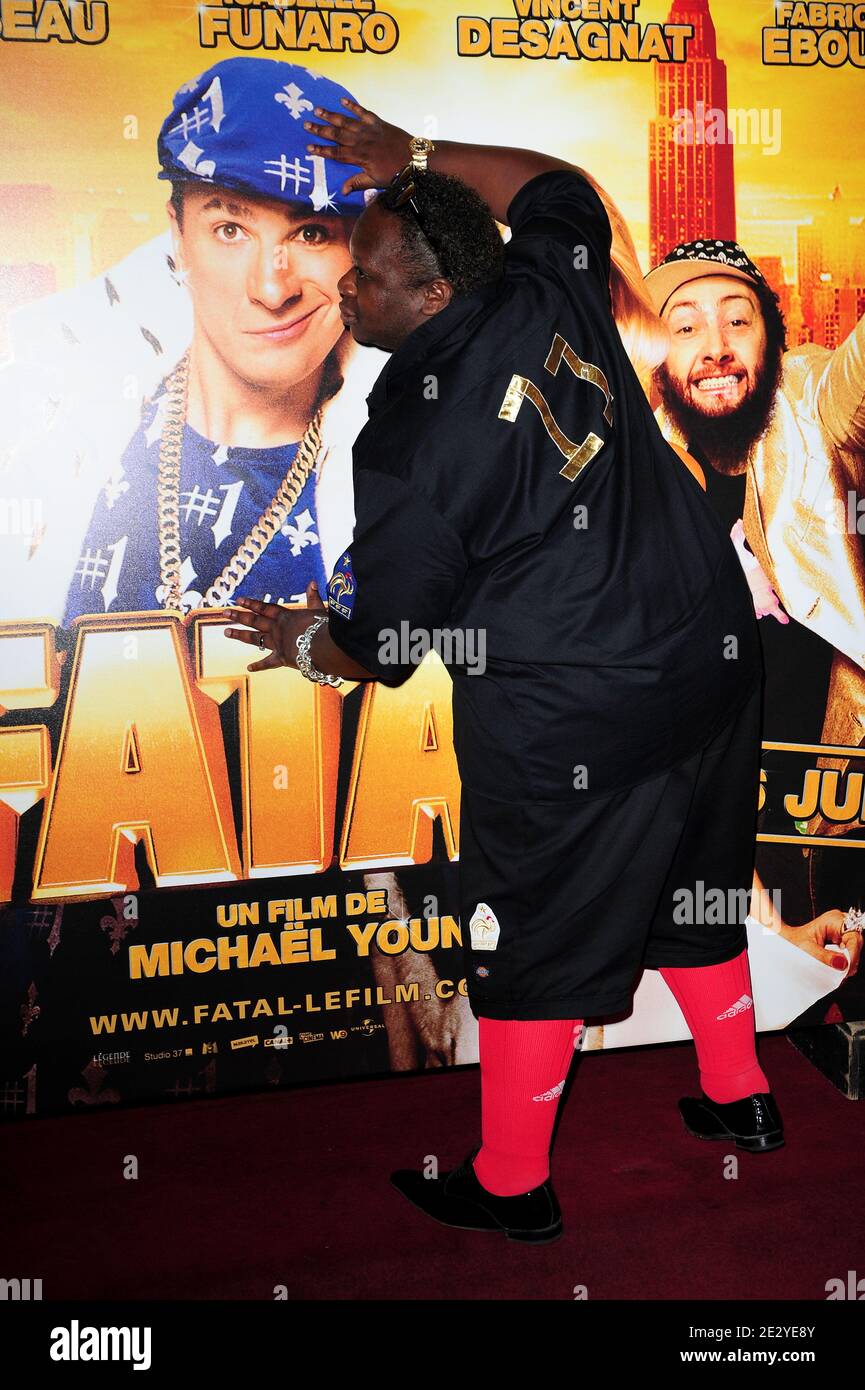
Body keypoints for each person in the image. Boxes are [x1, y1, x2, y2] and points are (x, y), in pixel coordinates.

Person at [225, 100, 782, 1245]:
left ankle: (511, 1182)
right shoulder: (546, 280)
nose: (344, 292)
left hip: (578, 718)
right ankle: (743, 1098)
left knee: (529, 943)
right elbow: (555, 180)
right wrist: (414, 157)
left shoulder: (411, 443)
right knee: (699, 882)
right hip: (707, 657)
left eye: (367, 277)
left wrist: (291, 642)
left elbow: (382, 643)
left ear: (434, 296)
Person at [645, 243, 864, 1011]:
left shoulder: (813, 412)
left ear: (771, 339)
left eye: (738, 321)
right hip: (704, 789)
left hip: (837, 774)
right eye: (684, 326)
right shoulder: (628, 466)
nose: (714, 347)